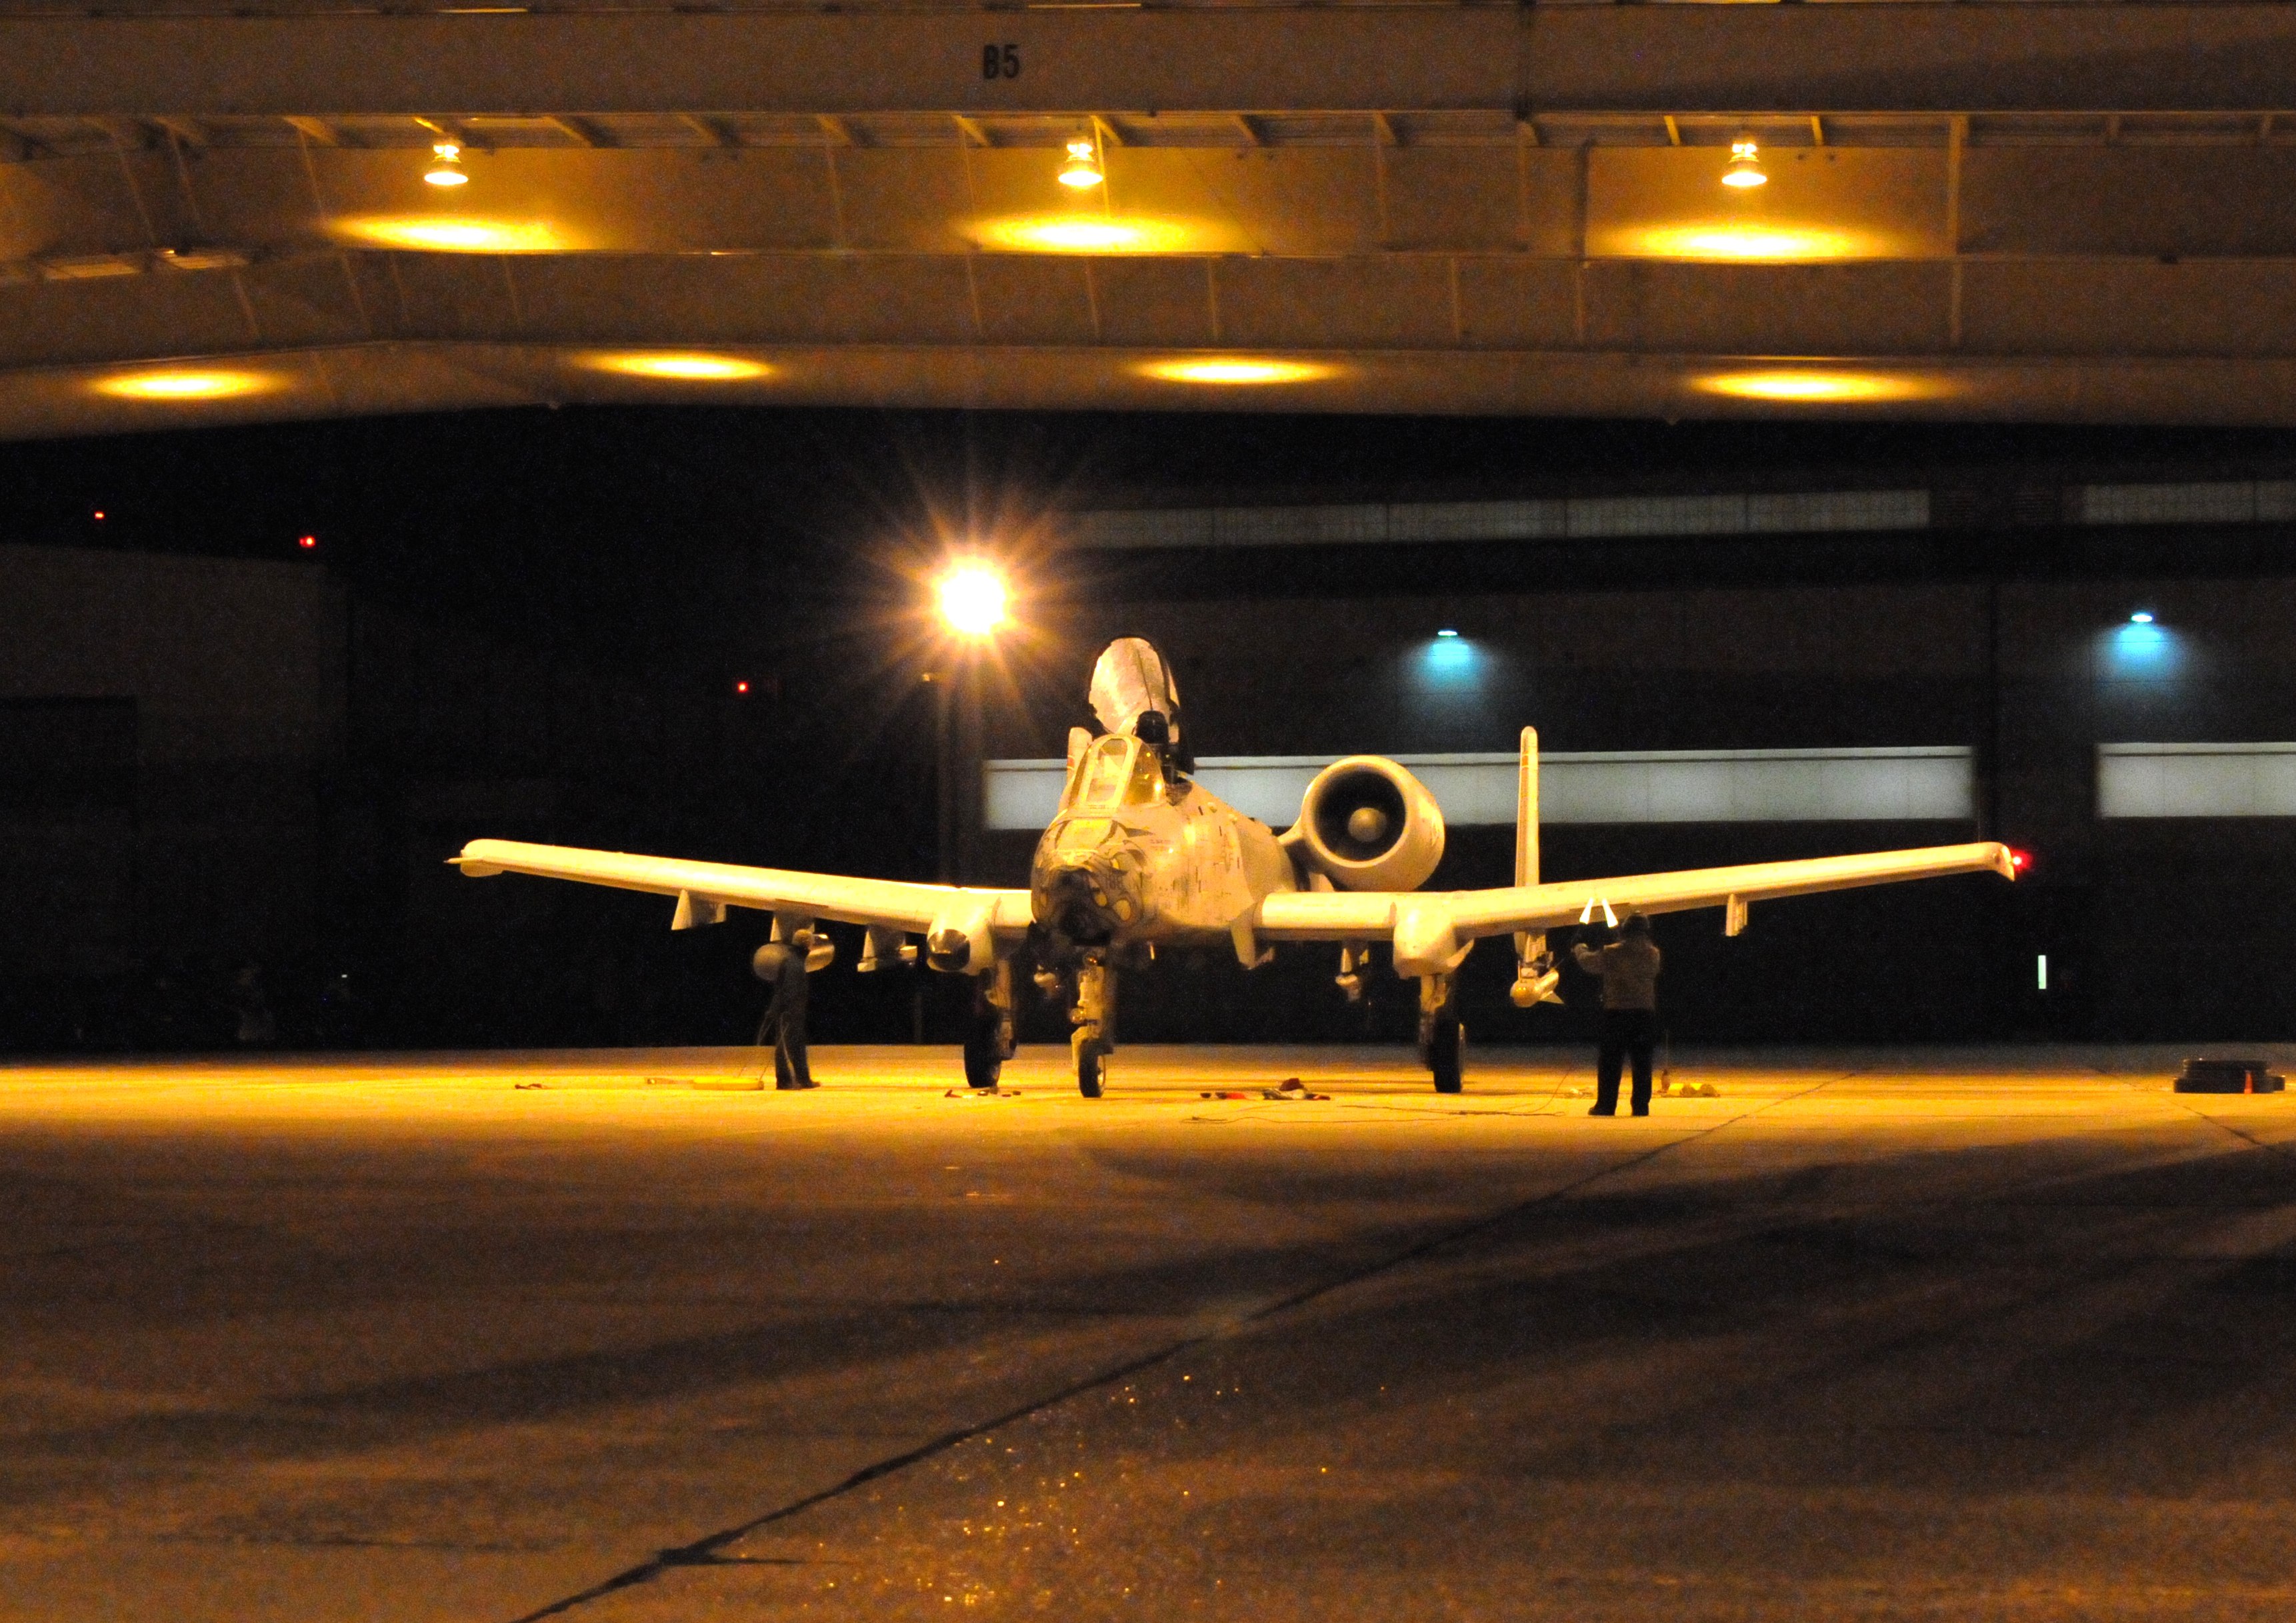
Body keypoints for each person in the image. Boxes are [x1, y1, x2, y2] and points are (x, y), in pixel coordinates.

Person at [1571, 914, 1661, 1116]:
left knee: (1610, 1062)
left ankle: (1606, 1105)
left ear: (1626, 930)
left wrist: (1579, 947)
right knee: (1642, 1063)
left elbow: (1589, 963)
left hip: (1617, 1013)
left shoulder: (1613, 952)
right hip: (1644, 1014)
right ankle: (1640, 1107)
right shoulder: (1654, 953)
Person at [751, 932, 818, 1090]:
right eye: (811, 942)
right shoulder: (794, 963)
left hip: (788, 1010)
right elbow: (790, 989)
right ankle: (786, 1081)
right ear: (806, 943)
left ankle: (801, 1079)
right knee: (788, 1046)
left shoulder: (794, 959)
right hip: (789, 1011)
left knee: (794, 1045)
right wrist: (790, 1010)